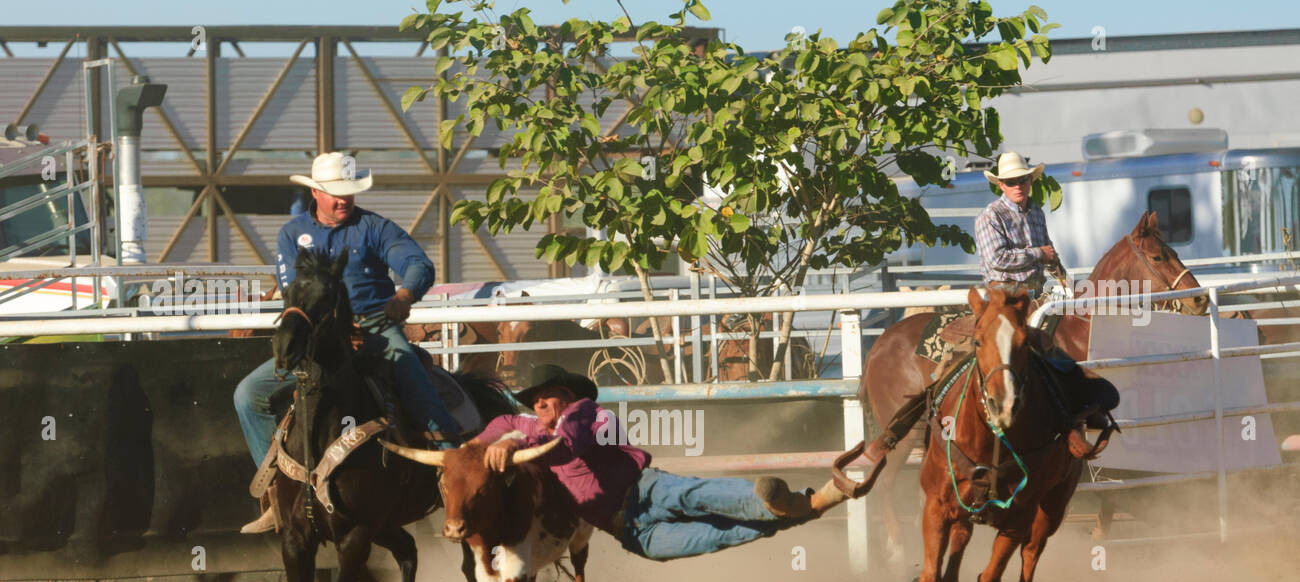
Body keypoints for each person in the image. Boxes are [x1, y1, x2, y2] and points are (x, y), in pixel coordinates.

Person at [853, 151, 1119, 480]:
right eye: (1010, 182)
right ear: (1001, 186)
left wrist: (1056, 268)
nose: (1017, 185)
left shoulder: (1035, 212)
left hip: (1038, 294)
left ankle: (1070, 412)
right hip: (1003, 297)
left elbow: (1046, 251)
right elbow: (997, 260)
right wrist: (1039, 253)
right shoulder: (990, 216)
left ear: (1030, 181)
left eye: (1022, 180)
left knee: (1065, 337)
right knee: (1017, 348)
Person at [234, 152, 463, 533]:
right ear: (316, 192)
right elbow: (296, 289)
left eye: (349, 193)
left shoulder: (374, 227)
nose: (343, 200)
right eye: (334, 193)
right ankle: (277, 491)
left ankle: (452, 468)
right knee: (249, 395)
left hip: (377, 327)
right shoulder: (292, 234)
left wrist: (403, 297)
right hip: (319, 338)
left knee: (412, 375)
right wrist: (335, 329)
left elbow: (418, 264)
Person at [476, 365, 849, 560]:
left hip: (645, 490)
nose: (538, 404)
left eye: (547, 396)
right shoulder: (521, 425)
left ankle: (799, 500)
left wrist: (514, 445)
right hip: (631, 533)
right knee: (717, 536)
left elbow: (565, 445)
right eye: (533, 400)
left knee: (696, 495)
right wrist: (486, 447)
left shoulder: (582, 411)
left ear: (568, 396)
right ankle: (800, 510)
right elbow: (482, 439)